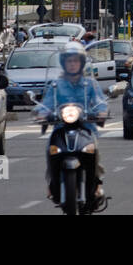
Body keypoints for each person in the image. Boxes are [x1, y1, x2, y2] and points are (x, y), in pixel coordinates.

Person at [34, 41, 109, 208]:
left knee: (94, 153)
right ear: (63, 63)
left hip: (86, 128)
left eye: (76, 60)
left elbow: (100, 102)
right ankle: (52, 183)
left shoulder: (90, 84)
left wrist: (102, 112)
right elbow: (46, 104)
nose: (73, 64)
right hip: (61, 129)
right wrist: (41, 113)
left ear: (81, 63)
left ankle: (97, 184)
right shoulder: (56, 85)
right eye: (69, 61)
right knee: (51, 149)